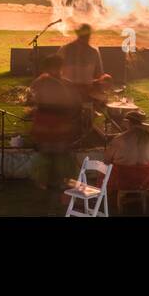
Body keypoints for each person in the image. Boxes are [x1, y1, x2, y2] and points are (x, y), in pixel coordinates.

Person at [26, 54, 82, 189]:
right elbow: (30, 99)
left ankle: (61, 180)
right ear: (51, 68)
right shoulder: (41, 82)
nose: (59, 70)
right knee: (46, 152)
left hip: (58, 121)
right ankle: (45, 180)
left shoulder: (63, 82)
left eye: (59, 67)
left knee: (60, 152)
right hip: (47, 121)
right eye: (57, 67)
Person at [104, 110, 149, 193]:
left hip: (122, 179)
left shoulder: (119, 138)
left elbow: (107, 160)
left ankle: (109, 197)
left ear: (127, 122)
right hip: (147, 180)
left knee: (105, 171)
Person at [59, 24, 109, 97]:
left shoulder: (93, 52)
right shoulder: (65, 50)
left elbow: (100, 76)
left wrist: (104, 80)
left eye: (87, 35)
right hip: (68, 91)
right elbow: (55, 72)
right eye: (85, 35)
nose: (86, 37)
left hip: (87, 90)